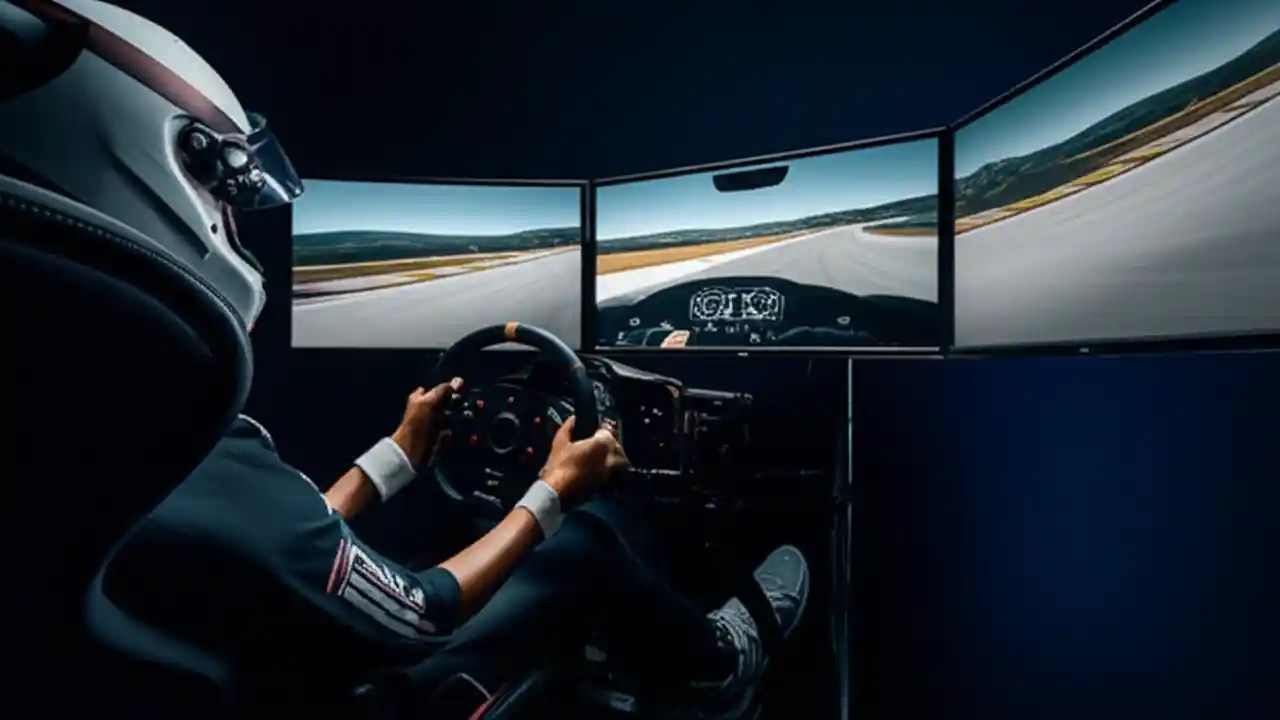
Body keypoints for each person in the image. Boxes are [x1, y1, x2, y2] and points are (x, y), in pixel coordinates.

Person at [0, 1, 810, 717]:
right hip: (342, 692)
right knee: (589, 541)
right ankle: (719, 665)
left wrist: (395, 456)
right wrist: (556, 490)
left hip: (216, 668)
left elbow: (265, 549)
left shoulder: (71, 424)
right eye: (229, 200)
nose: (236, 228)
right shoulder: (195, 440)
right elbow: (418, 612)